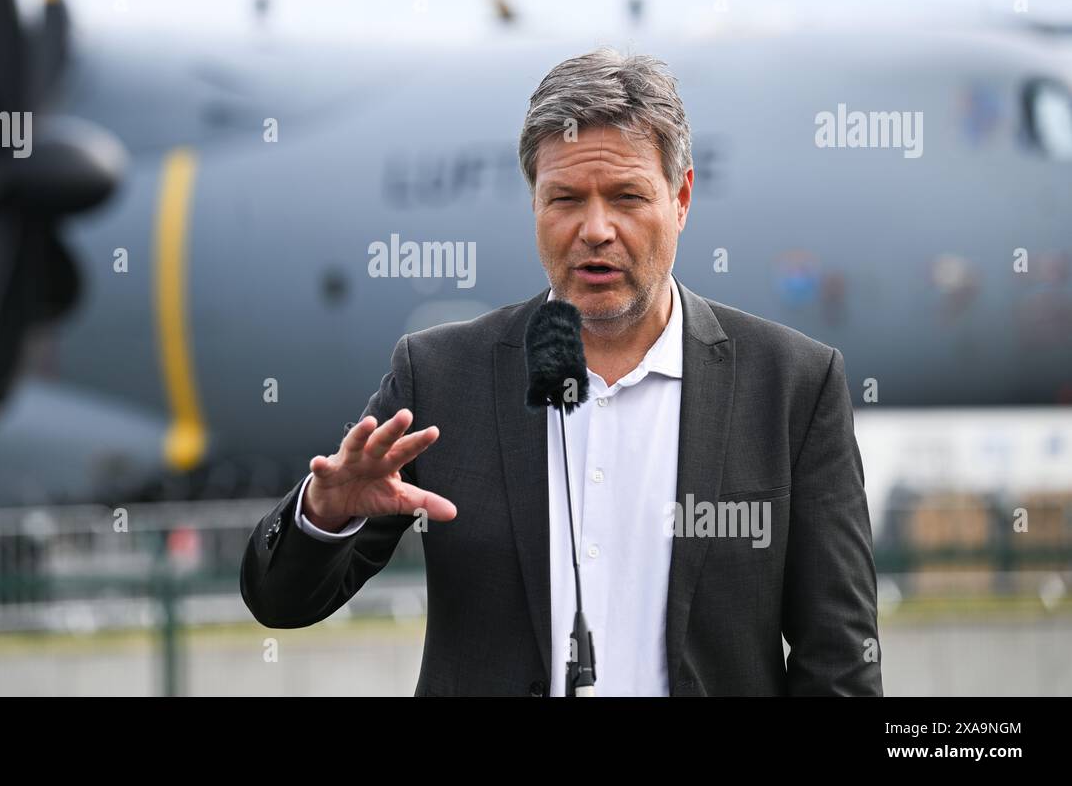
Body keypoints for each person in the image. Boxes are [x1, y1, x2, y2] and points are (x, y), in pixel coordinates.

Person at [240, 47, 883, 696]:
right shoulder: (439, 377)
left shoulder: (793, 388)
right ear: (534, 203)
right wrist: (323, 516)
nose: (595, 229)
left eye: (627, 197)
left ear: (681, 198)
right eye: (566, 198)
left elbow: (840, 662)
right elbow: (280, 603)